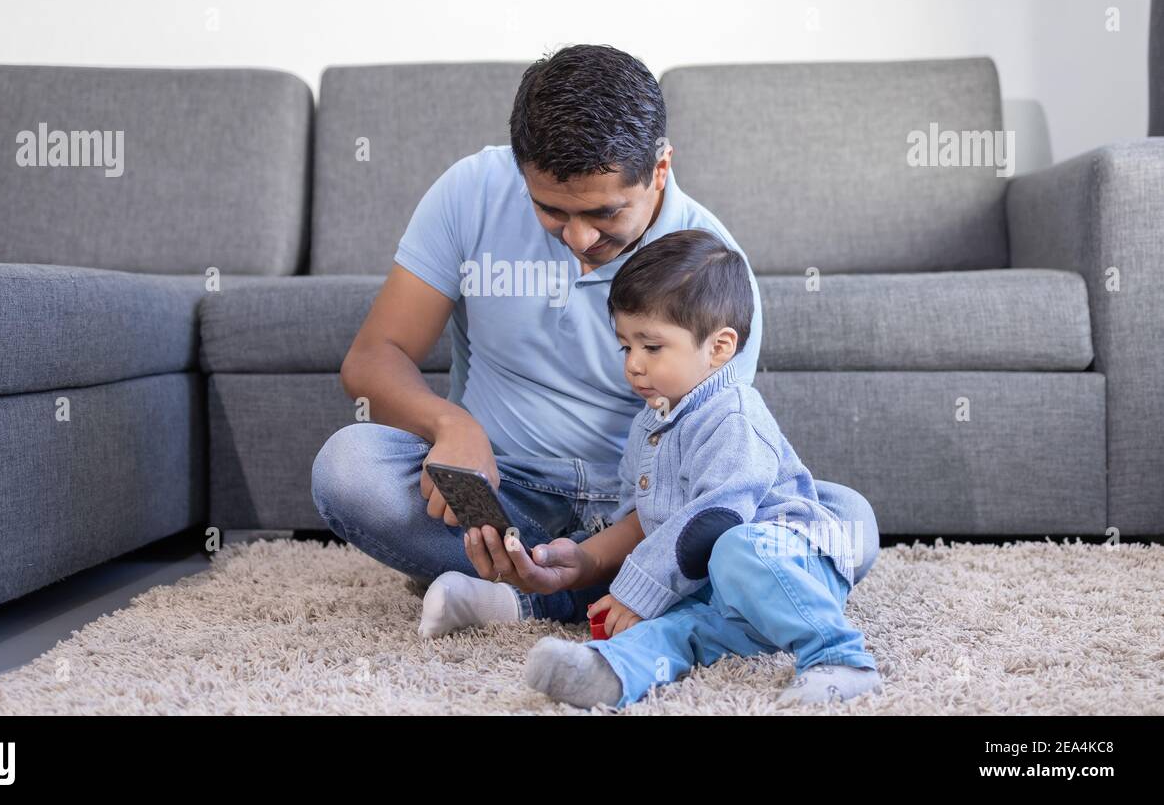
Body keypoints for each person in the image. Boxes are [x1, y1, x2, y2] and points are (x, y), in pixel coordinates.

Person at [310, 44, 880, 634]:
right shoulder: (471, 191)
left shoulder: (714, 275)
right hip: (504, 491)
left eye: (605, 214)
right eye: (551, 211)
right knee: (347, 469)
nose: (579, 238)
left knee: (845, 522)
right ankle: (610, 588)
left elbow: (715, 466)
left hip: (647, 510)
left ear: (659, 170)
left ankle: (536, 590)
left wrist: (606, 546)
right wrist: (449, 427)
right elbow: (375, 357)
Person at [515, 229, 881, 708]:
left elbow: (717, 518)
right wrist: (591, 561)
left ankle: (839, 656)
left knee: (732, 549)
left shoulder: (732, 415)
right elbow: (648, 523)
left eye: (652, 347)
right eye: (626, 347)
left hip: (787, 561)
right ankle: (608, 674)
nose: (634, 366)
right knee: (678, 622)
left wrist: (639, 589)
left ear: (719, 347)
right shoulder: (649, 424)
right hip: (713, 578)